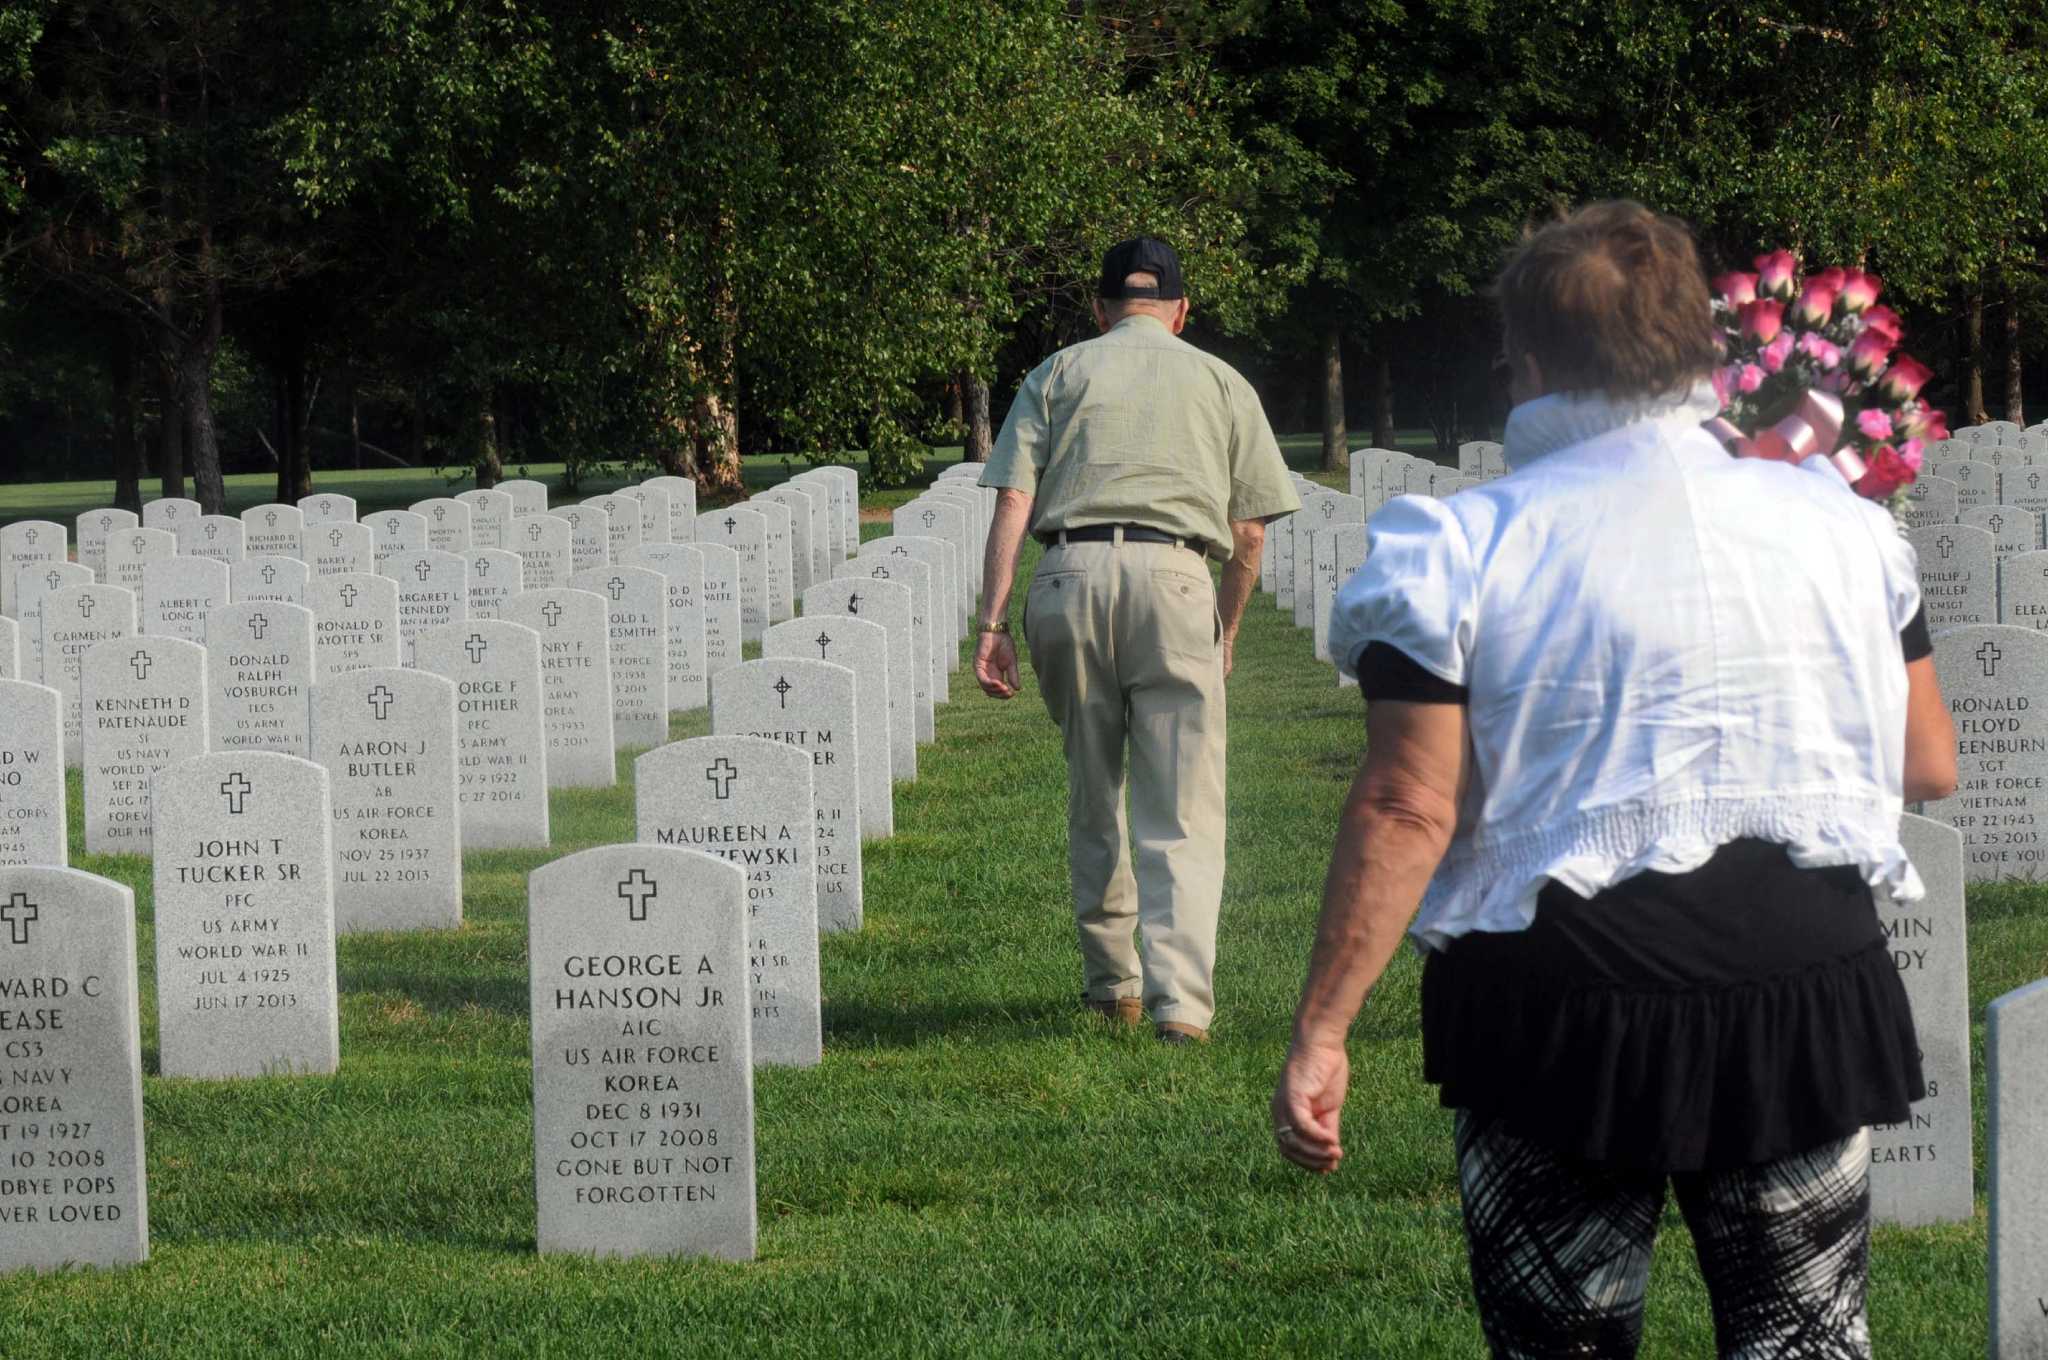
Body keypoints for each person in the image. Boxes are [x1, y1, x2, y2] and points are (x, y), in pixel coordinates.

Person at [1269, 201, 1959, 1357]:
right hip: (1797, 982)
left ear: (1526, 358)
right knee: (1805, 1342)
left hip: (1560, 1009)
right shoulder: (1841, 526)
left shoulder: (1460, 545)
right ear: (1701, 344)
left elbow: (1408, 803)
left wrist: (1321, 1031)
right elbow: (1924, 762)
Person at [972, 236, 1301, 1045]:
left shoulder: (1057, 372)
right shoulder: (1223, 382)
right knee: (1182, 804)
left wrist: (990, 624)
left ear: (1101, 309)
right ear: (1181, 311)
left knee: (1096, 789)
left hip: (1070, 576)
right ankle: (1180, 1006)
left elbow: (1014, 498)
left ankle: (1110, 984)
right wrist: (1224, 628)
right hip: (1177, 578)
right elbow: (1249, 531)